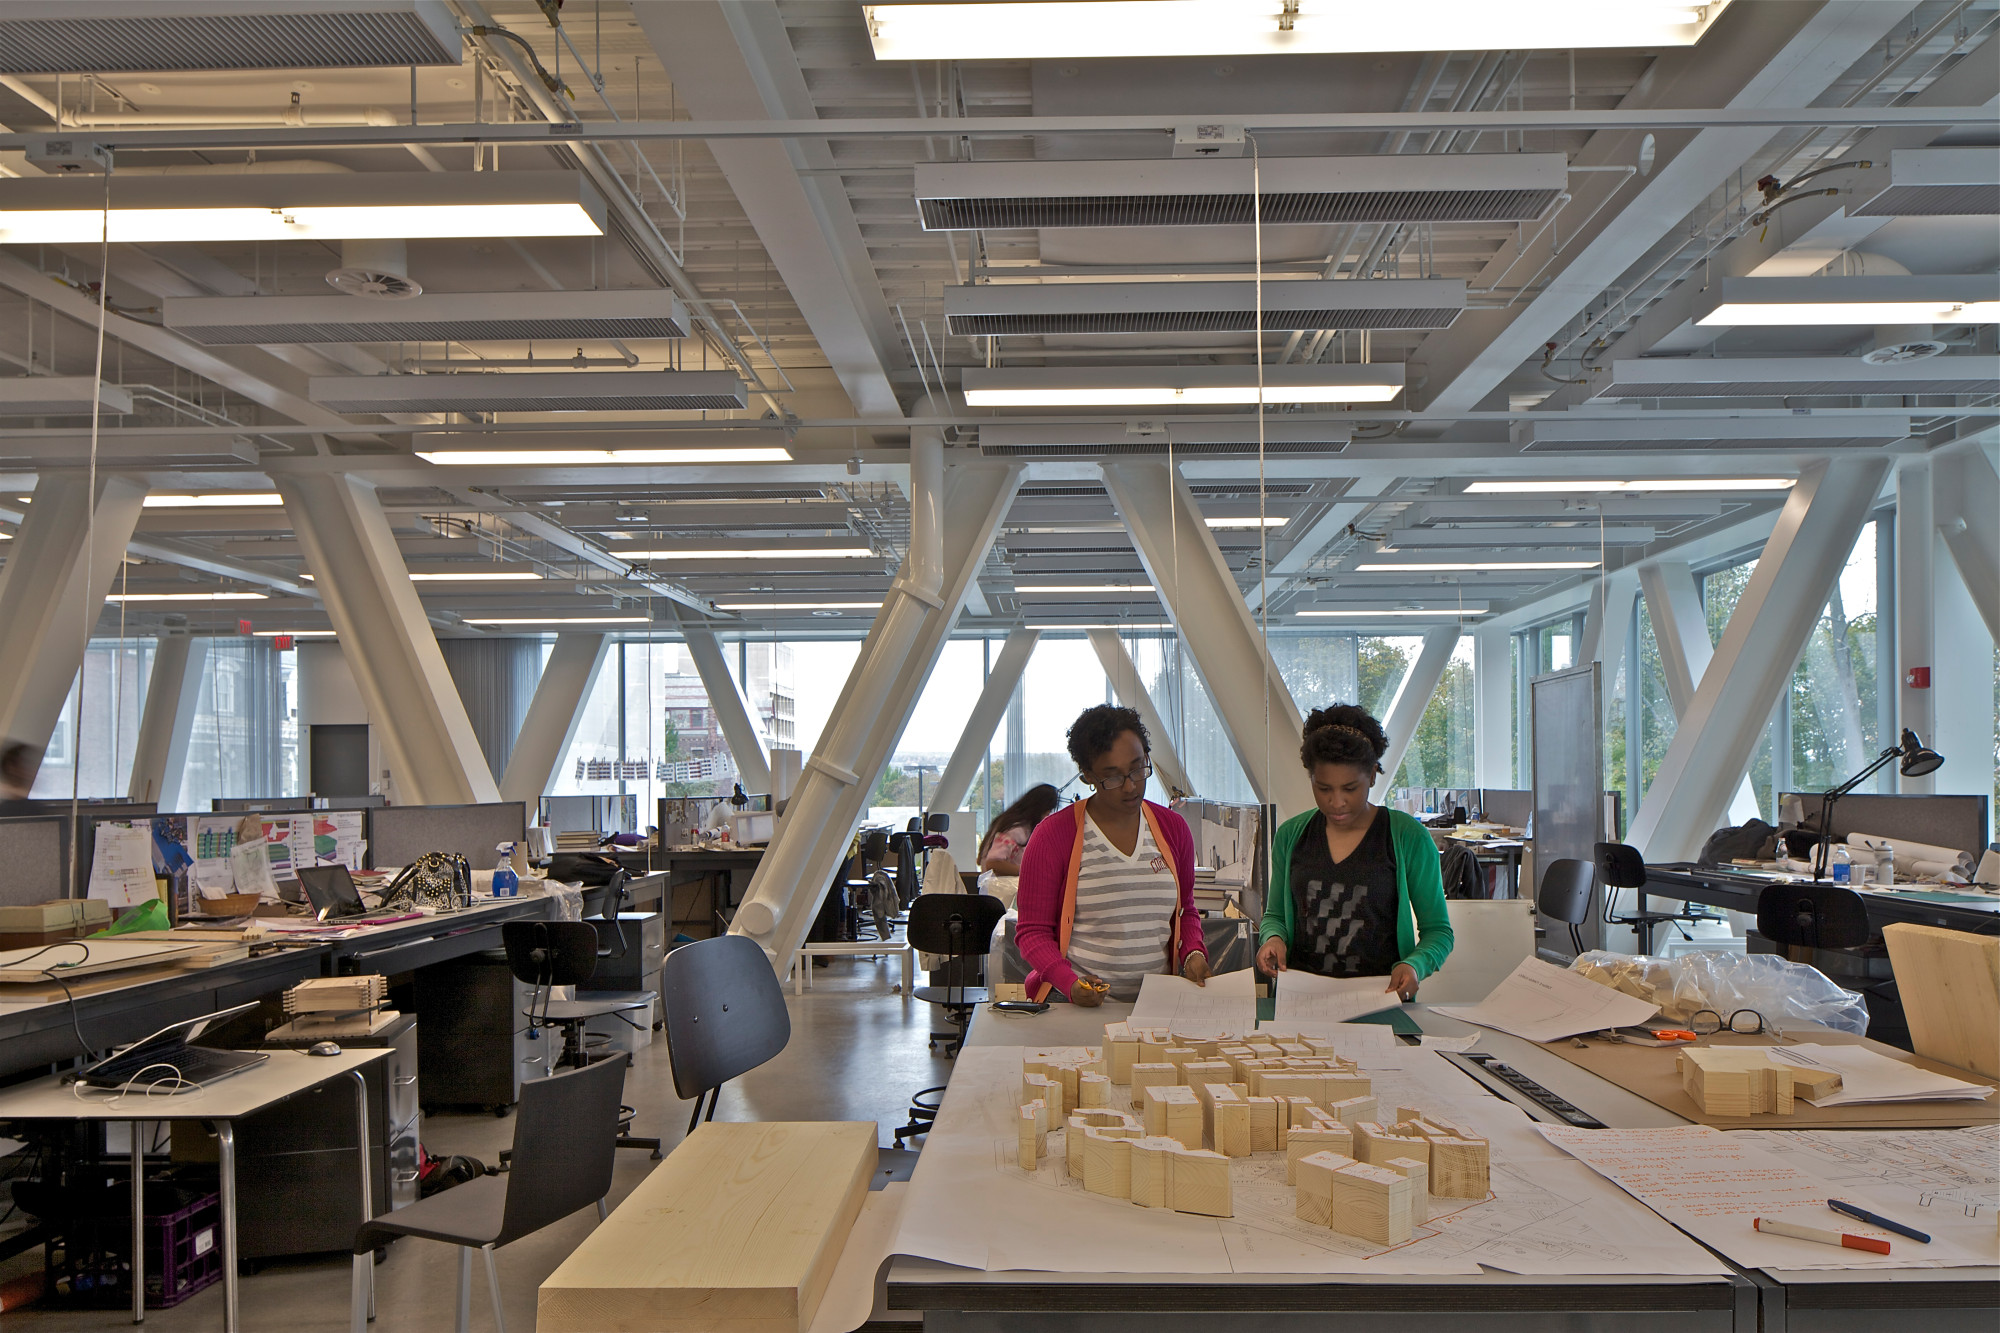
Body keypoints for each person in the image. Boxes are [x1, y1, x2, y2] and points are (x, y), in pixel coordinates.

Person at [1256, 705, 1453, 1001]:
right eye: (1323, 788)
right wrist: (1272, 939)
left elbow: (1438, 932)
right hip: (1299, 1000)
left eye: (1350, 788)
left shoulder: (1407, 837)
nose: (1337, 802)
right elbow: (1275, 916)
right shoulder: (1291, 836)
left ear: (1373, 775)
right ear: (1311, 778)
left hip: (1379, 1000)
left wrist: (1414, 965)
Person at [1016, 705, 1209, 1005]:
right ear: (1088, 776)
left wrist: (1193, 952)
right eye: (1113, 777)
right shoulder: (1053, 836)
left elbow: (1186, 911)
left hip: (1155, 1006)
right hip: (1075, 1006)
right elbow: (1032, 933)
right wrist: (1069, 982)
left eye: (1137, 768)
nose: (1131, 786)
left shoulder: (1173, 829)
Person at [977, 783, 1062, 877]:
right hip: (1001, 888)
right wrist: (1031, 871)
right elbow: (993, 863)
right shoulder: (1017, 829)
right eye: (1048, 812)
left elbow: (980, 859)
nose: (1047, 817)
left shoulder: (1006, 820)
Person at [0, 741, 38, 816]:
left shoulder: (33, 807)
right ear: (12, 769)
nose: (31, 770)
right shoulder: (6, 810)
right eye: (25, 764)